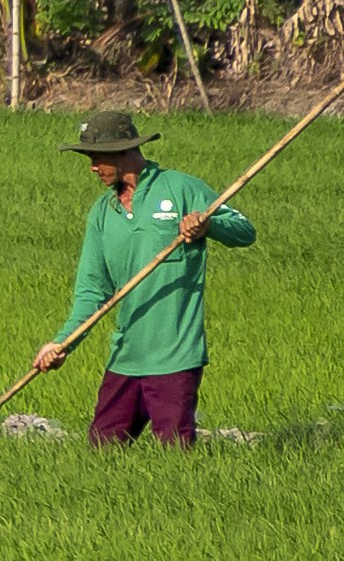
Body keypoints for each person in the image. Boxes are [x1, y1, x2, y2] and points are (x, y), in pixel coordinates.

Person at [34, 105, 251, 444]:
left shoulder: (182, 189)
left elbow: (244, 230)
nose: (92, 167)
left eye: (97, 157)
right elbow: (92, 292)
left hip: (176, 356)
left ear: (123, 152)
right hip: (126, 356)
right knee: (101, 453)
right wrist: (63, 343)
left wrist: (209, 225)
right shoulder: (102, 214)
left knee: (176, 455)